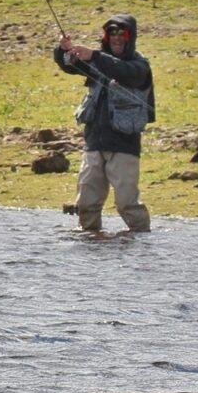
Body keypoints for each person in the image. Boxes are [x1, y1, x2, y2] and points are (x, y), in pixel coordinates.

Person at [54, 14, 155, 233]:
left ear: (131, 37)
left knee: (127, 204)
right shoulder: (97, 60)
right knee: (86, 204)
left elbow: (121, 70)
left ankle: (142, 242)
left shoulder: (139, 66)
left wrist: (94, 55)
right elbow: (70, 66)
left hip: (124, 147)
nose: (117, 38)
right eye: (112, 34)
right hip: (94, 143)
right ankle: (89, 242)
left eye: (122, 33)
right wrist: (64, 50)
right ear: (106, 37)